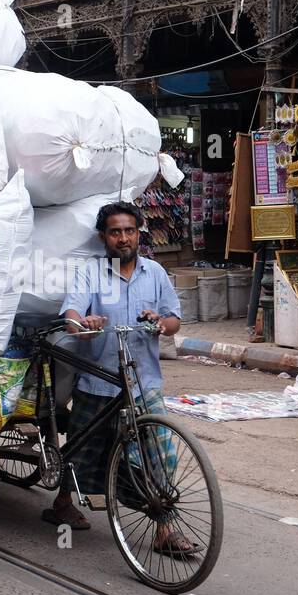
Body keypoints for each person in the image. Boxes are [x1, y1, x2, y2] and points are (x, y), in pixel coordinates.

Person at [49, 202, 198, 557]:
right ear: (104, 237)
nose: (123, 238)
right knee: (83, 450)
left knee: (160, 455)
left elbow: (173, 318)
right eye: (115, 232)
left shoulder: (155, 273)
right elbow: (71, 312)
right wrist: (84, 324)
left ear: (138, 233)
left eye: (129, 230)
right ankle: (63, 500)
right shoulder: (91, 273)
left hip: (144, 382)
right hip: (99, 380)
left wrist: (160, 322)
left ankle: (165, 527)